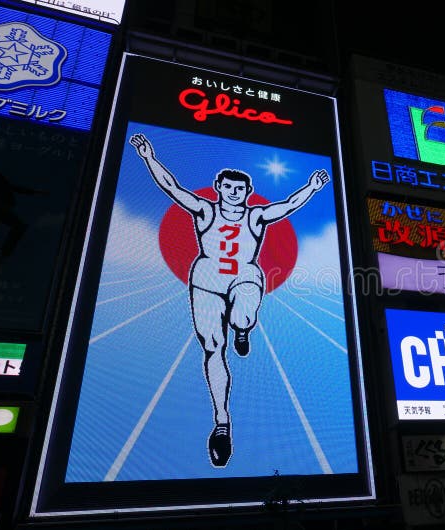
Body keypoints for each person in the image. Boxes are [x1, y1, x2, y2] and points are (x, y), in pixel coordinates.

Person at [129, 133, 330, 467]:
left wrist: (311, 187)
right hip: (206, 280)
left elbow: (287, 206)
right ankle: (222, 423)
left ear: (247, 192)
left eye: (240, 188)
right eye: (228, 187)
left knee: (242, 314)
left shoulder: (255, 216)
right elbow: (172, 188)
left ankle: (242, 329)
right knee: (212, 347)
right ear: (219, 188)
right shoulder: (204, 210)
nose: (234, 192)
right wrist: (149, 157)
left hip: (244, 276)